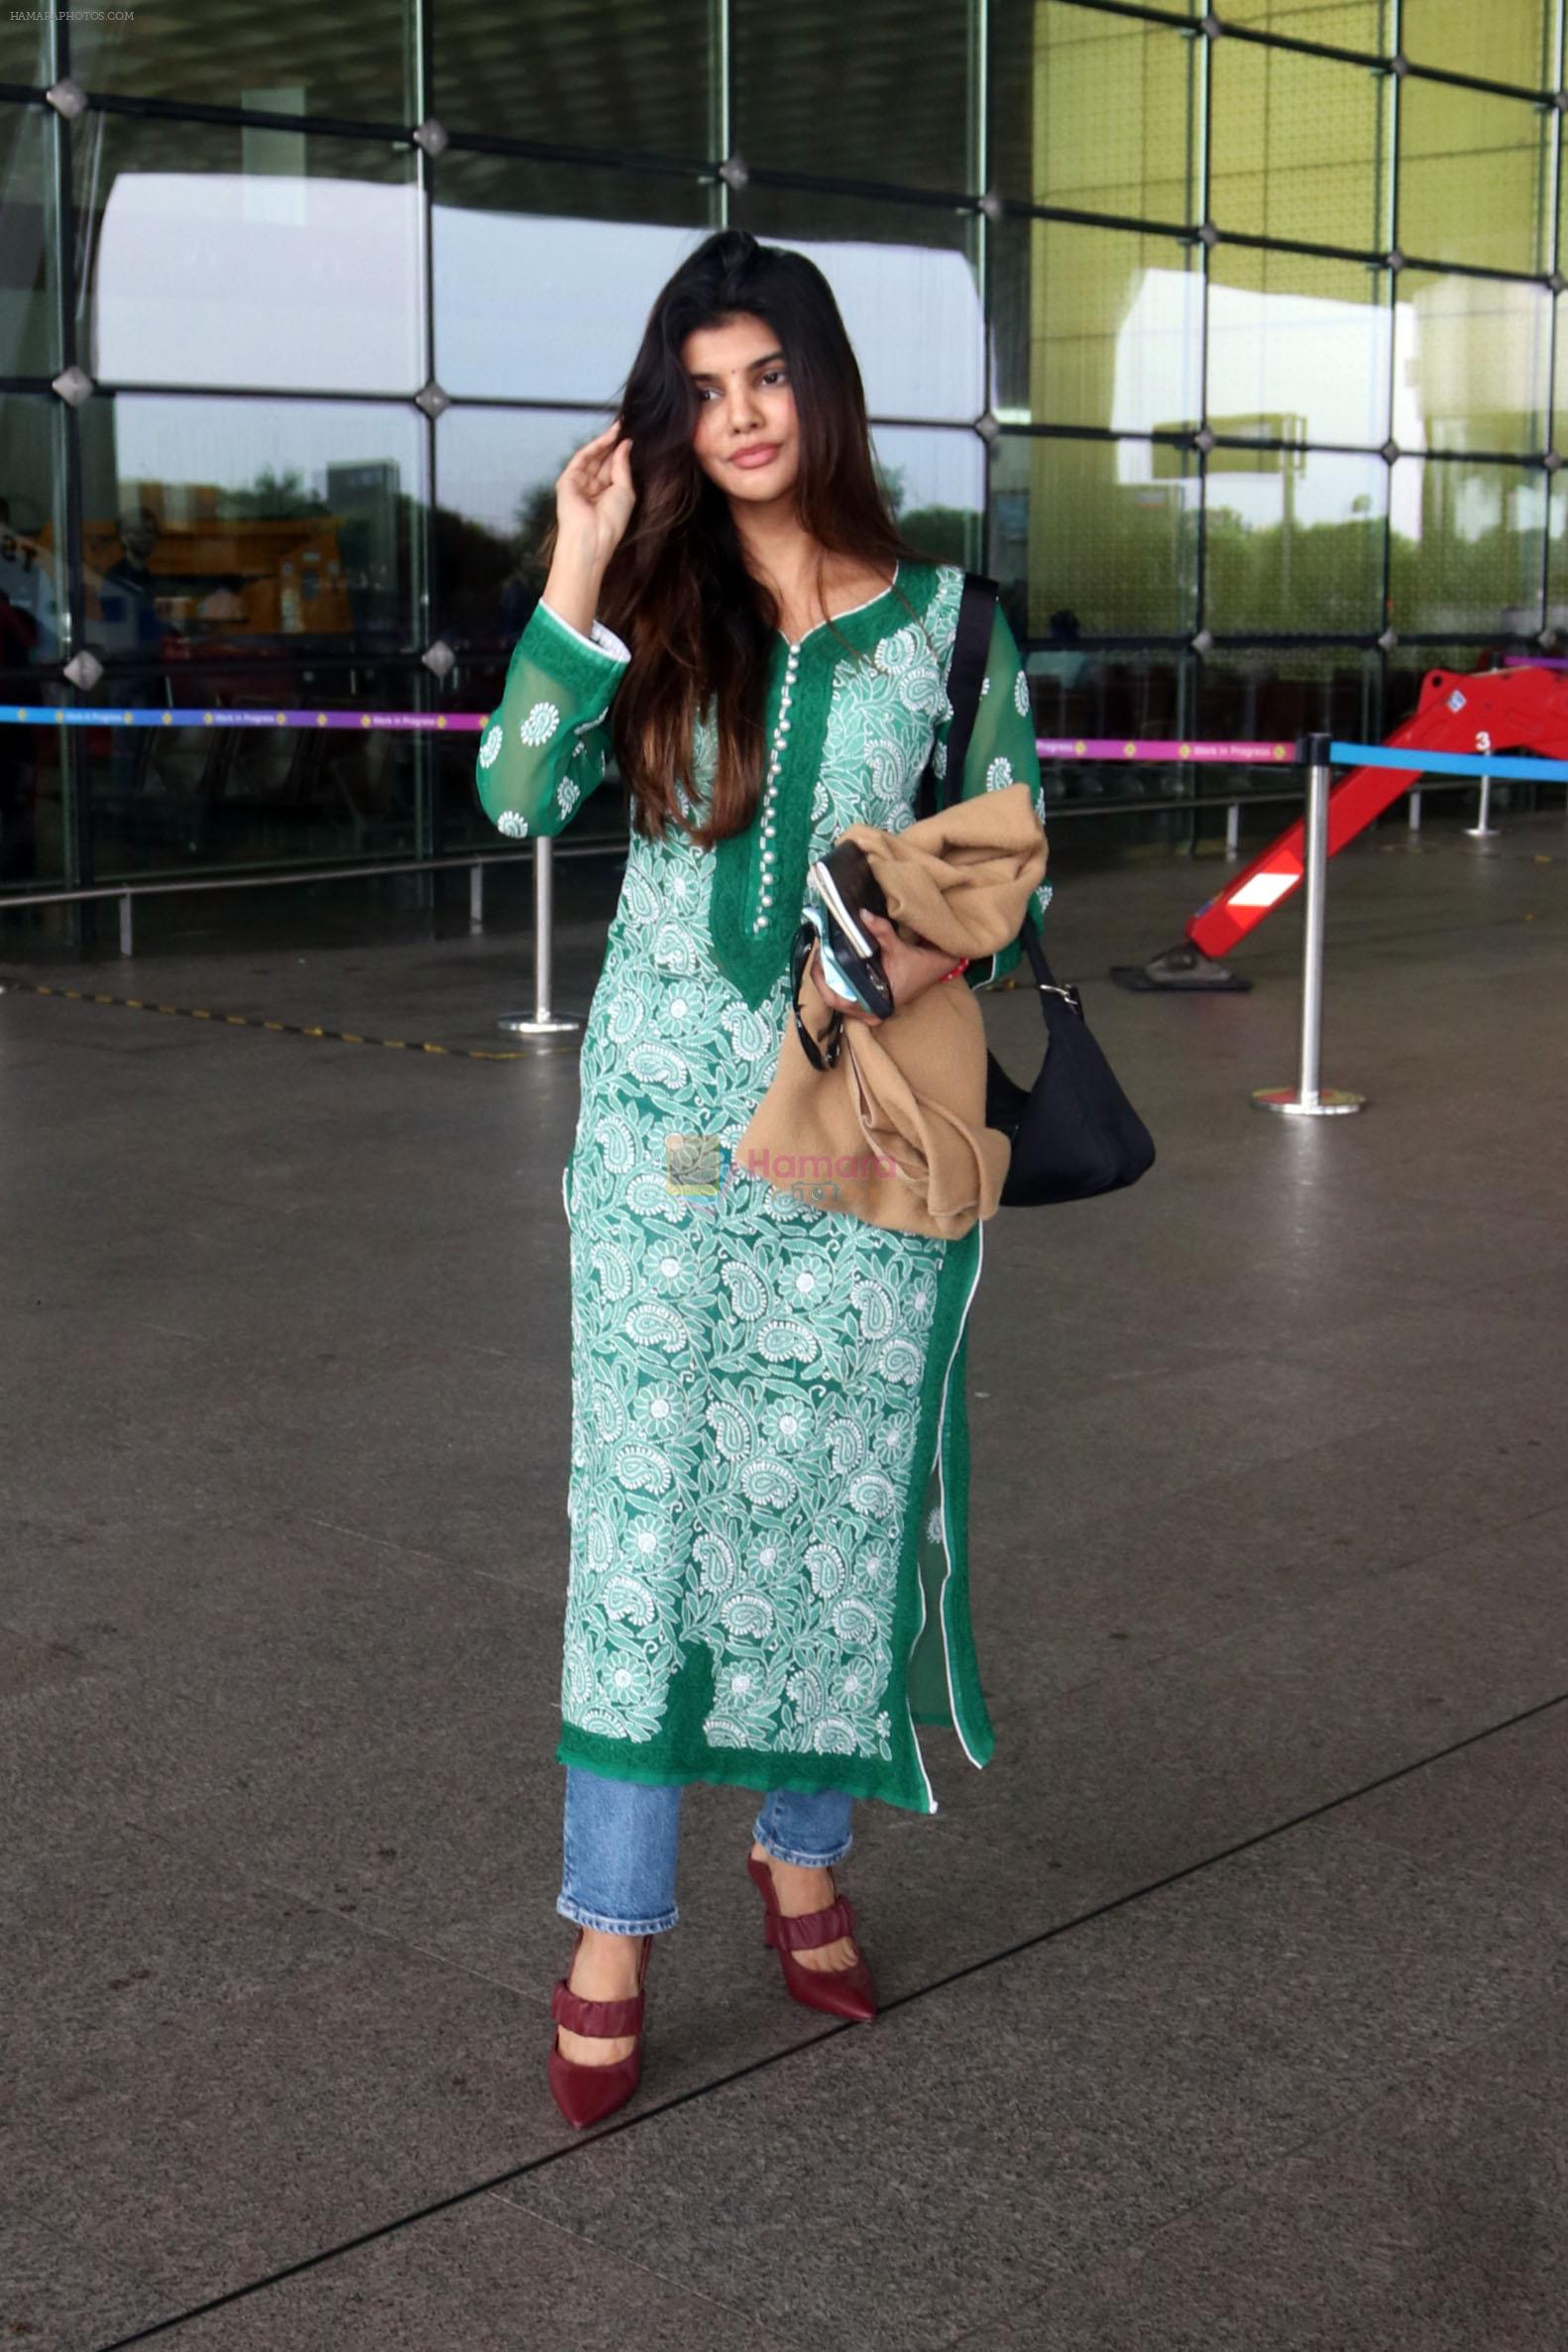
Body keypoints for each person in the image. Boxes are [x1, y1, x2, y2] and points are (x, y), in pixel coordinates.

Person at [474, 228, 1052, 2128]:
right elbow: (513, 794)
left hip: (856, 1145)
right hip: (655, 1148)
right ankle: (611, 1931)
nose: (736, 421)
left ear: (822, 384)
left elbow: (1013, 846)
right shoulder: (650, 602)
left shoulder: (949, 616)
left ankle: (802, 1856)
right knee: (636, 1538)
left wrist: (915, 951)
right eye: (701, 390)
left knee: (832, 1505)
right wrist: (574, 562)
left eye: (765, 380)